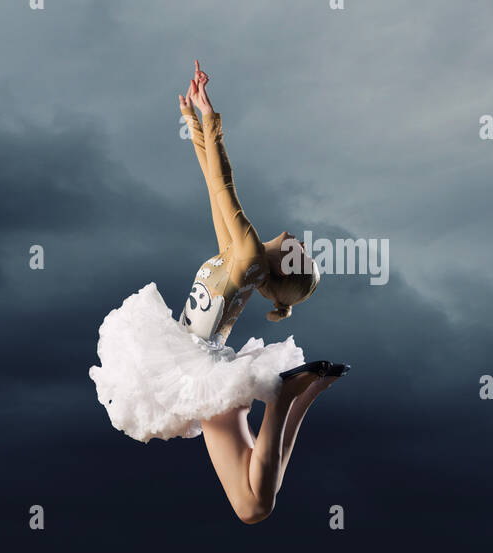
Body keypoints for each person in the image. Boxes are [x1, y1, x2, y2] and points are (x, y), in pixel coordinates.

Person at [88, 62, 349, 524]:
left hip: (196, 363)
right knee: (256, 503)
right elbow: (213, 189)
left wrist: (209, 118)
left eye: (304, 254)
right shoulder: (239, 260)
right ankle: (303, 394)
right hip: (202, 360)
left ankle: (291, 396)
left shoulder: (247, 258)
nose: (305, 243)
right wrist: (194, 122)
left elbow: (223, 183)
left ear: (285, 264)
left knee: (254, 507)